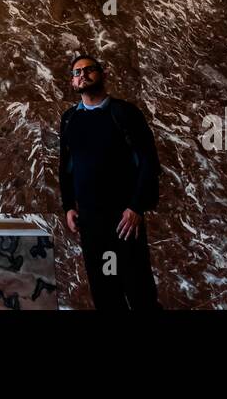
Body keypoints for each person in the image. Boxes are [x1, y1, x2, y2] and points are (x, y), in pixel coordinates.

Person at [58, 54, 161, 309]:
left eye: (88, 69)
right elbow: (66, 166)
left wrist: (137, 207)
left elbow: (149, 162)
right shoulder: (69, 119)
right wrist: (68, 205)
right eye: (76, 72)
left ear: (101, 74)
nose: (82, 75)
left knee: (139, 292)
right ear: (73, 83)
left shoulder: (124, 113)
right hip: (90, 222)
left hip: (124, 221)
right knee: (105, 293)